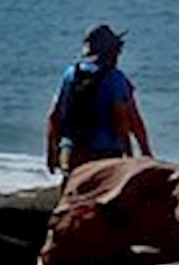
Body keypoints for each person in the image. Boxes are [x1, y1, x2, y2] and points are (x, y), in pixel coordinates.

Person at [45, 23, 149, 172]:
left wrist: (51, 150)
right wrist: (138, 153)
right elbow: (124, 118)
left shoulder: (71, 74)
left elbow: (54, 115)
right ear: (112, 51)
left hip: (71, 151)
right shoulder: (115, 78)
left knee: (71, 191)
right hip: (105, 155)